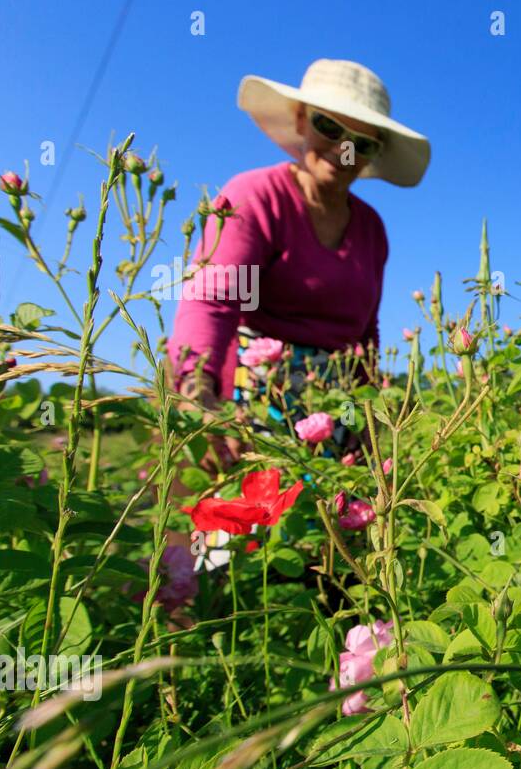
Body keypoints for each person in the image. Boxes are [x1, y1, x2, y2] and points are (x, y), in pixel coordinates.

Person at [166, 58, 430, 466]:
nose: (344, 150)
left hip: (337, 401)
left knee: (330, 521)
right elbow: (212, 302)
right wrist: (197, 397)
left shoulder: (371, 229)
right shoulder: (256, 196)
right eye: (330, 128)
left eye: (363, 144)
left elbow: (366, 336)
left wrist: (368, 420)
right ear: (302, 121)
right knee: (253, 519)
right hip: (252, 394)